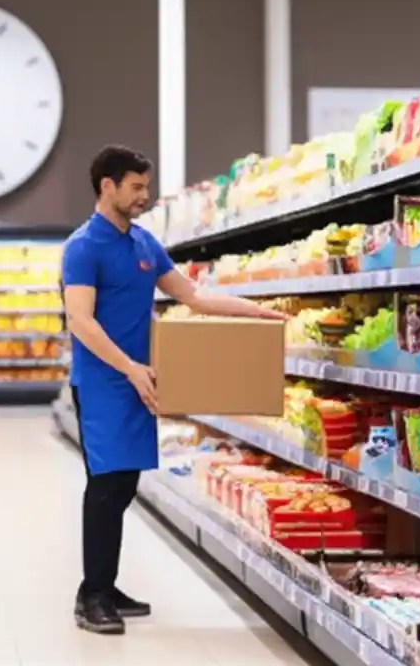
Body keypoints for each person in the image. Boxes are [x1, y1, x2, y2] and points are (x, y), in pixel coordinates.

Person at [62, 145, 287, 635]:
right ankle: (92, 595)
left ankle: (106, 583)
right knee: (104, 489)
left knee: (123, 487)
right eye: (136, 186)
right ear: (108, 186)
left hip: (139, 382)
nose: (145, 195)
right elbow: (79, 320)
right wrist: (129, 367)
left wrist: (257, 312)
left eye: (146, 185)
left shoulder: (144, 244)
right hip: (104, 382)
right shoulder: (84, 246)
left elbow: (194, 295)